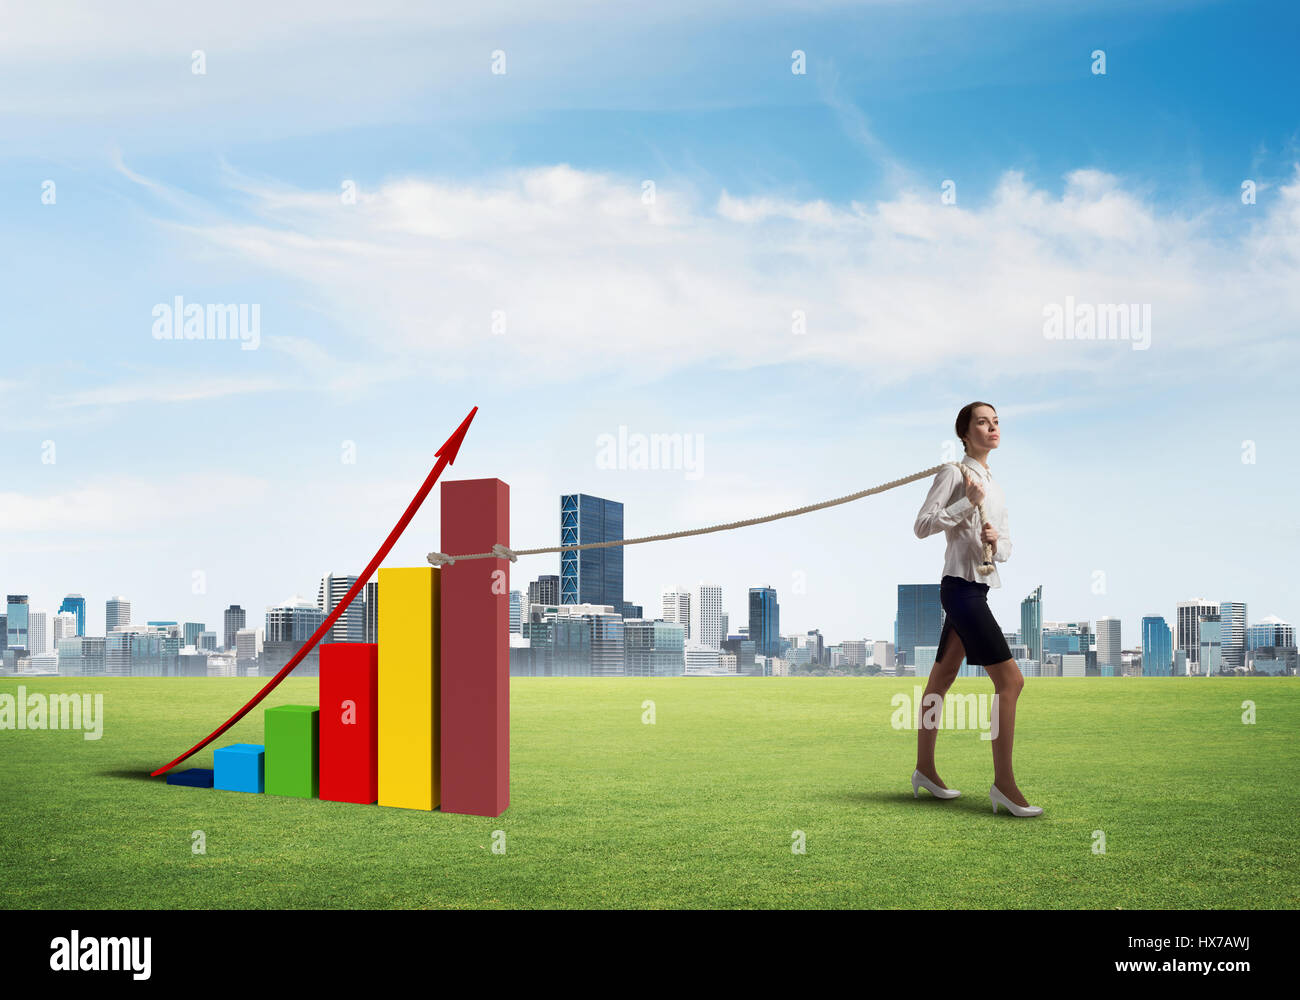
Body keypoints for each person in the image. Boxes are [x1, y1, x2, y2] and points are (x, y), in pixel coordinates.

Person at [909, 401, 1042, 817]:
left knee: (942, 679)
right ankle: (1004, 785)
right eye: (982, 422)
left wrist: (995, 538)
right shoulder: (954, 472)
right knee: (1011, 682)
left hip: (977, 590)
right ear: (965, 434)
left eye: (996, 421)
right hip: (959, 590)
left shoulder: (996, 486)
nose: (992, 427)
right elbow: (922, 526)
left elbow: (1005, 549)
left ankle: (925, 770)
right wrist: (966, 504)